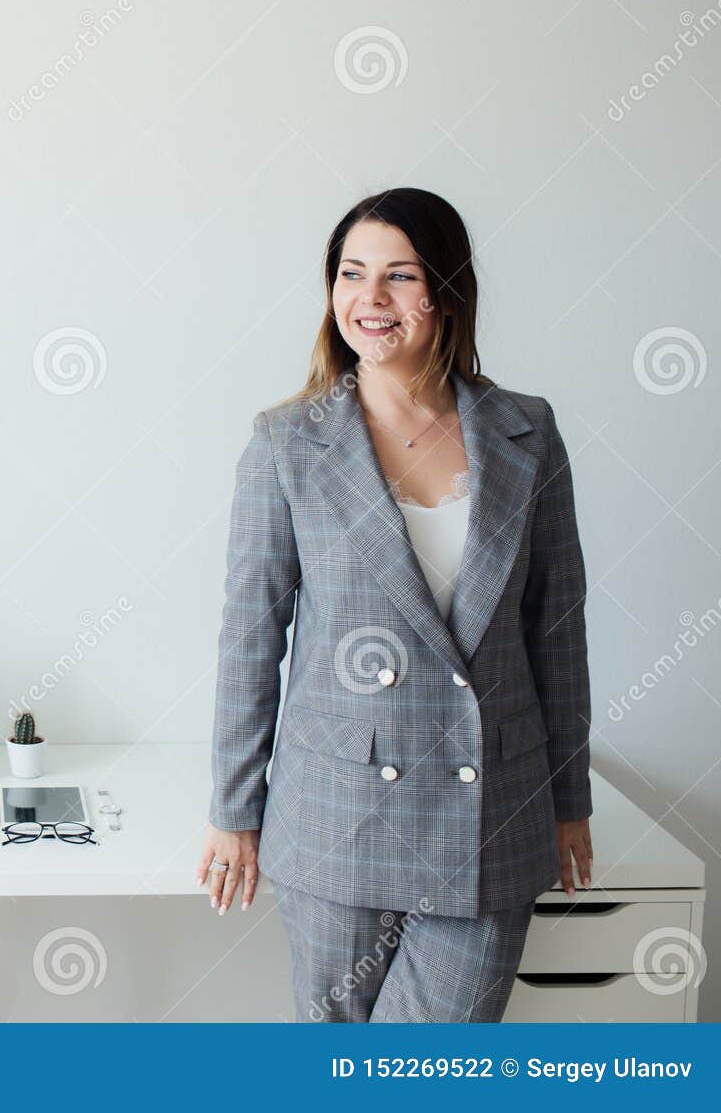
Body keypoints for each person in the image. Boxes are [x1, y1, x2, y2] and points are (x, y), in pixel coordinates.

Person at [198, 187, 594, 1022]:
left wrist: (569, 800)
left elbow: (556, 630)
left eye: (398, 275)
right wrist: (234, 810)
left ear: (445, 291)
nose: (369, 299)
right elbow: (249, 636)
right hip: (337, 814)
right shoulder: (287, 443)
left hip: (491, 815)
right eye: (351, 273)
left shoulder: (527, 430)